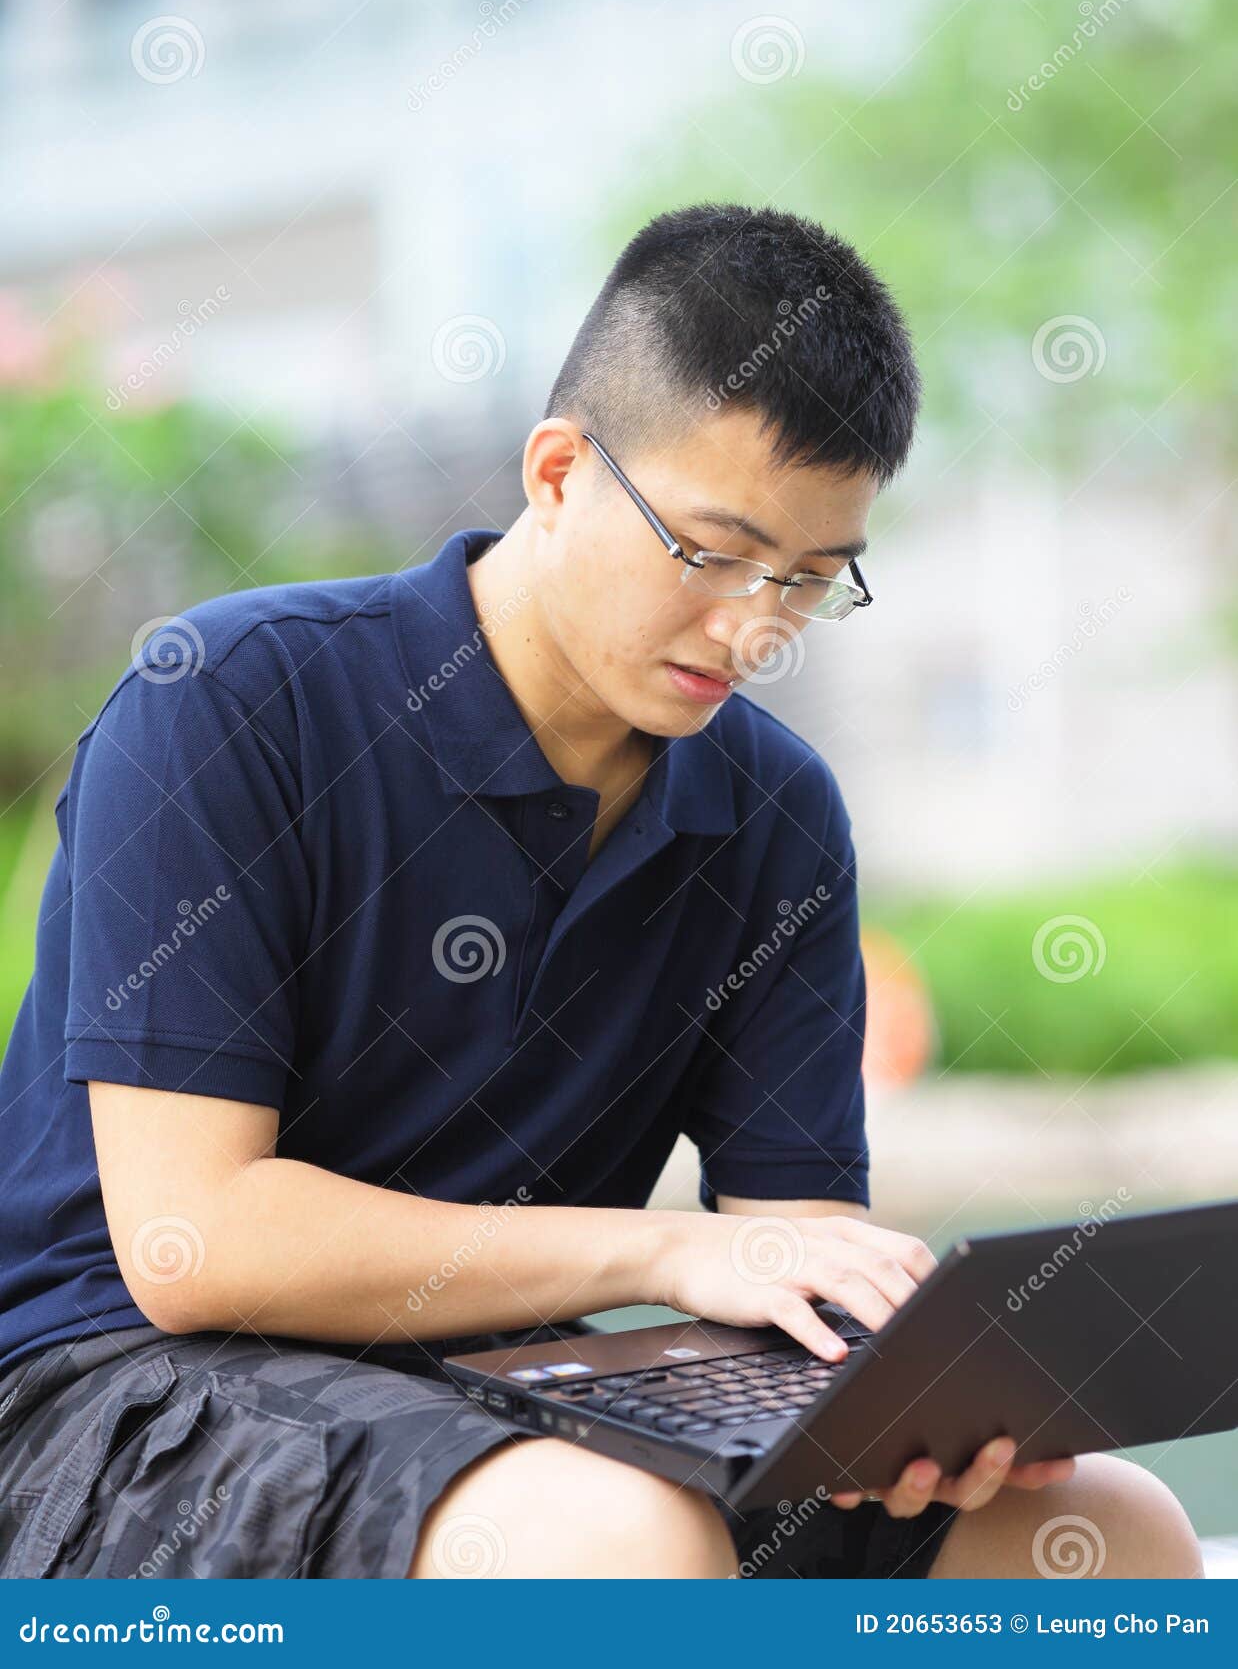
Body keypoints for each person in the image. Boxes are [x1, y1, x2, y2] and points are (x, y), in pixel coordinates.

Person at [0, 203, 1201, 1580]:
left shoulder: (772, 809)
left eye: (811, 579)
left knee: (1104, 1533)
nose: (753, 626)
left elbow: (783, 1246)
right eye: (712, 553)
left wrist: (910, 1393)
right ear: (560, 470)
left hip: (519, 1386)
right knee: (617, 1539)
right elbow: (191, 1240)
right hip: (126, 1395)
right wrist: (660, 1255)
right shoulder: (230, 701)